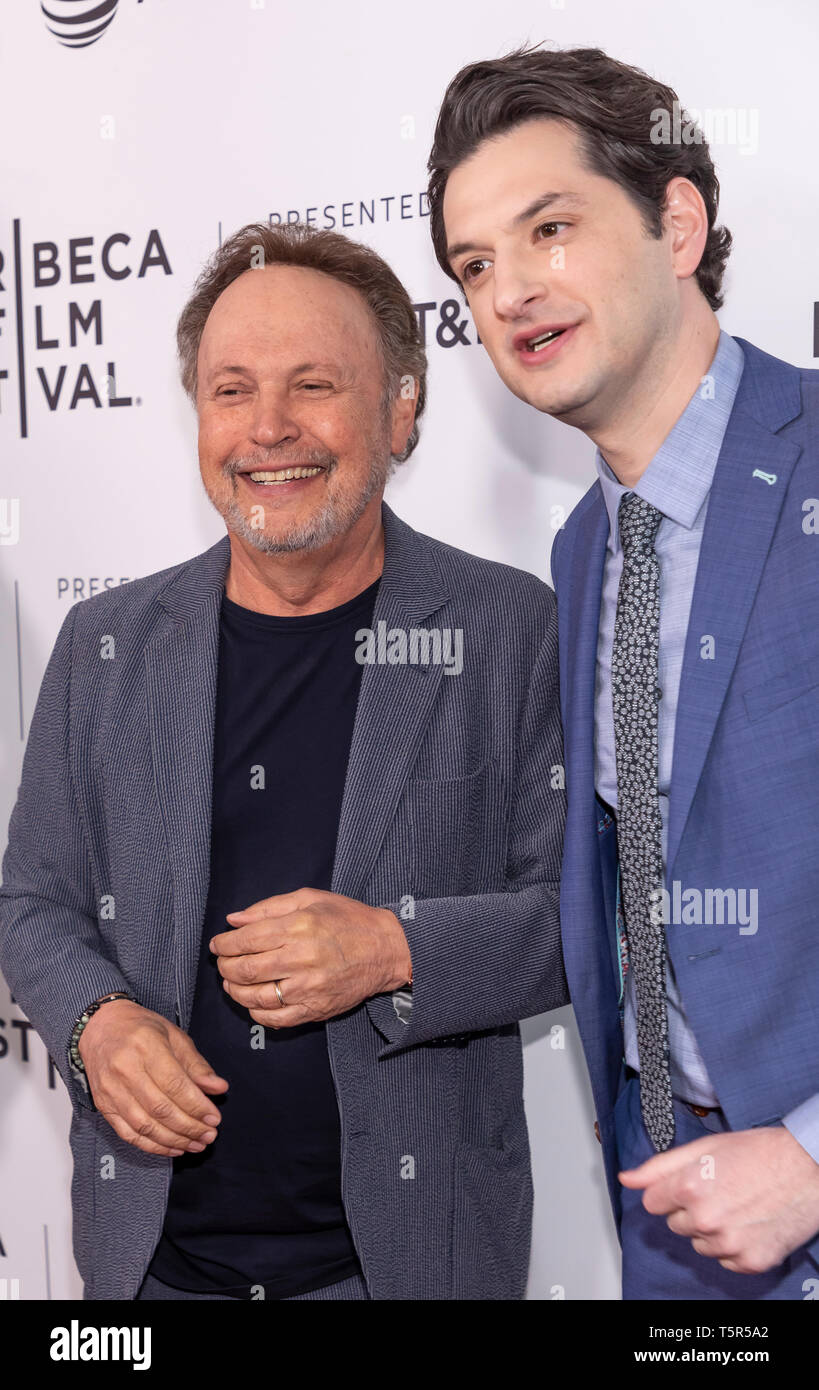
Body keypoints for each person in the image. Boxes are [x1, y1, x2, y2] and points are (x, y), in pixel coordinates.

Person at [0, 221, 567, 1300]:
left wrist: (396, 949)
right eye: (230, 390)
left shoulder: (506, 630)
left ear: (400, 410)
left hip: (407, 1265)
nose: (268, 429)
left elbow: (578, 919)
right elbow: (33, 899)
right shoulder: (106, 643)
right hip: (151, 1267)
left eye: (314, 385)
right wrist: (94, 1022)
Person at [428, 43, 819, 1299]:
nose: (508, 293)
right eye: (474, 267)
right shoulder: (586, 547)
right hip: (678, 1231)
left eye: (550, 228)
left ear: (678, 222)